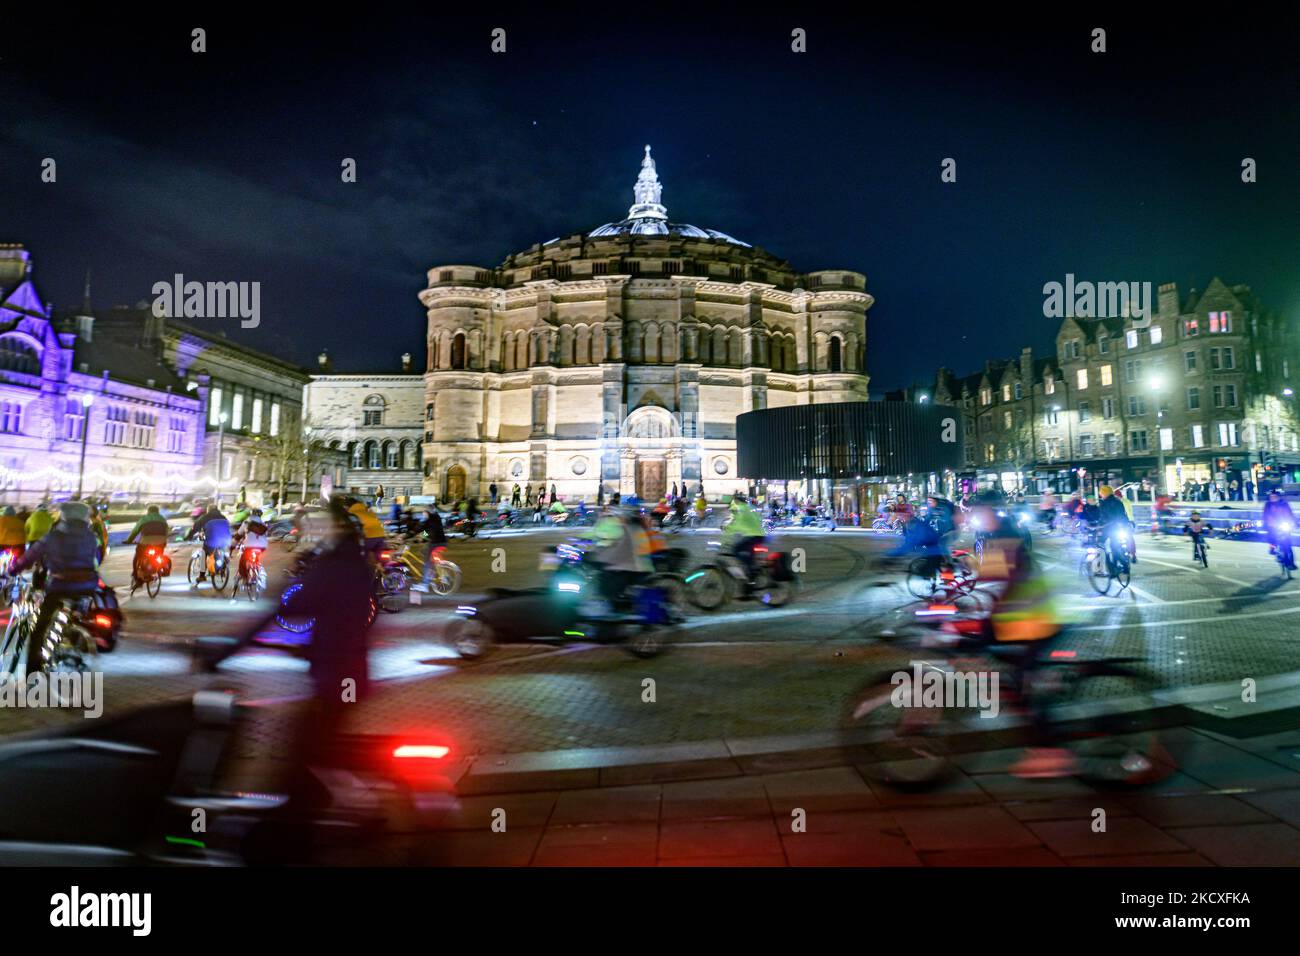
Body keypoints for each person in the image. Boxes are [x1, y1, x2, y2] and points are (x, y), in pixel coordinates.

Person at [9, 500, 101, 673]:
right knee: (74, 612)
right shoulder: (91, 536)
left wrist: (13, 569)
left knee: (39, 628)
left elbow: (30, 556)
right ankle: (74, 638)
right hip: (88, 585)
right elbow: (96, 558)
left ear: (63, 516)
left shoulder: (54, 536)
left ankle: (32, 671)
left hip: (60, 586)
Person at [590, 510, 653, 612]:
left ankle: (613, 609)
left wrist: (599, 558)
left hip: (633, 569)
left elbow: (619, 551)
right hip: (640, 567)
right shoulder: (637, 530)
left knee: (605, 580)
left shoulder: (628, 531)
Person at [124, 504, 171, 591]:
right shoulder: (162, 519)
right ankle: (157, 568)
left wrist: (129, 540)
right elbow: (167, 532)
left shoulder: (144, 519)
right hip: (160, 543)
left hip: (146, 542)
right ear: (158, 512)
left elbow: (135, 531)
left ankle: (136, 576)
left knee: (138, 556)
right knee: (158, 554)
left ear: (148, 511)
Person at [722, 494, 766, 582]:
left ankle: (751, 570)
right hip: (759, 535)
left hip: (754, 536)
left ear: (737, 501)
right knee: (748, 553)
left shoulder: (742, 509)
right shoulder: (749, 508)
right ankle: (752, 574)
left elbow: (737, 523)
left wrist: (727, 532)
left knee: (735, 549)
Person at [187, 504, 232, 581]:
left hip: (212, 540)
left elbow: (195, 527)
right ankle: (223, 568)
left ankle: (202, 575)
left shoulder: (205, 517)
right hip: (226, 540)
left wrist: (189, 536)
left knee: (204, 553)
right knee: (221, 552)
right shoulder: (223, 517)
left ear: (209, 510)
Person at [410, 506, 448, 593]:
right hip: (442, 542)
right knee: (424, 551)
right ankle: (440, 573)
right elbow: (430, 530)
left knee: (427, 562)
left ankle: (425, 585)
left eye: (424, 512)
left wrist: (411, 534)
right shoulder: (436, 517)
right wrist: (422, 536)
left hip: (435, 543)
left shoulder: (429, 519)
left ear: (427, 512)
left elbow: (421, 528)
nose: (423, 514)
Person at [1263, 489, 1296, 569]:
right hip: (1272, 525)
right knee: (1271, 536)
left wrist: (1295, 523)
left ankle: (1291, 563)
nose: (1273, 498)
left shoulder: (1284, 504)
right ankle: (1272, 547)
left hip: (1283, 524)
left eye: (1275, 496)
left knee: (1288, 544)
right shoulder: (1268, 505)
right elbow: (1265, 515)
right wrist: (1266, 523)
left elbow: (1290, 514)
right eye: (1271, 497)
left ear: (1278, 497)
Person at [236, 508, 271, 581]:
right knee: (257, 558)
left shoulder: (246, 522)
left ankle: (244, 576)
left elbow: (239, 534)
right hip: (262, 546)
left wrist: (233, 545)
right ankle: (257, 567)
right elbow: (266, 535)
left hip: (249, 546)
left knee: (243, 560)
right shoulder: (263, 524)